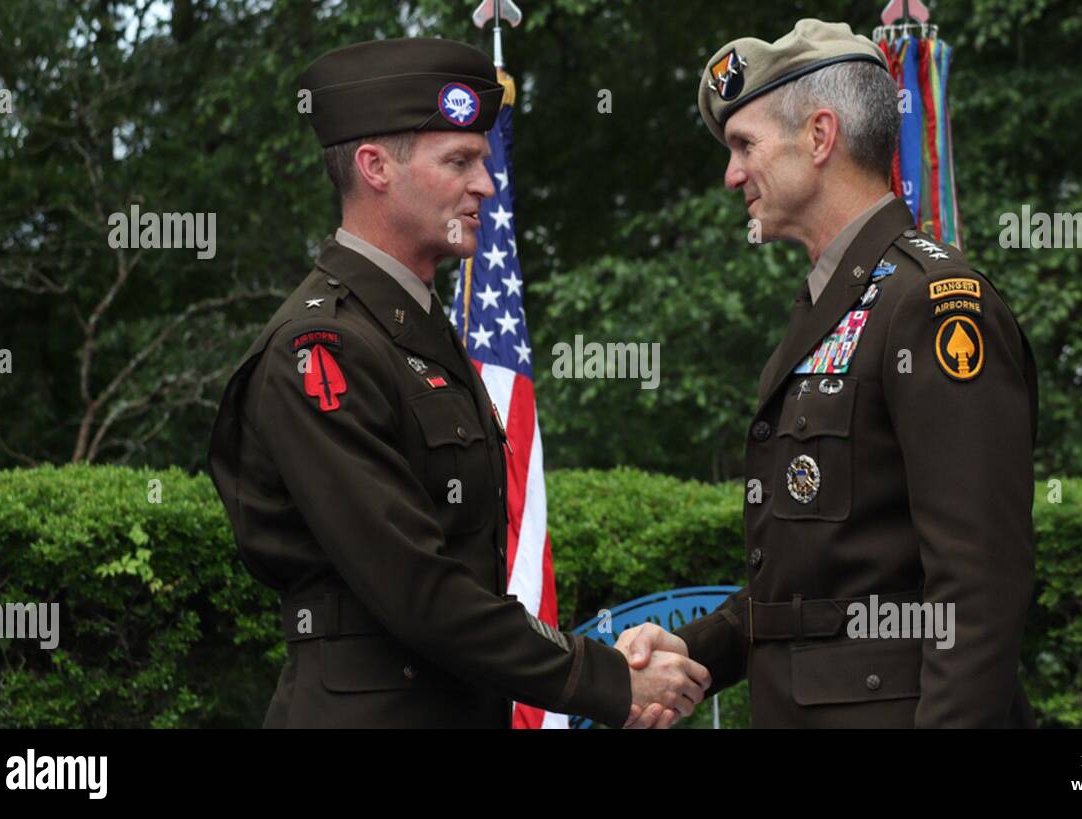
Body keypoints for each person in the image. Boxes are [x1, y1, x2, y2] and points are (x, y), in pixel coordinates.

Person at [207, 37, 709, 728]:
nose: (486, 185)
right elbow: (417, 587)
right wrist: (603, 678)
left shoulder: (412, 329)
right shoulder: (321, 346)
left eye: (483, 160)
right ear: (375, 167)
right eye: (459, 161)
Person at [619, 19, 1039, 728]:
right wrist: (693, 650)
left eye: (745, 145)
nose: (731, 174)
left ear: (819, 136)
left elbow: (979, 586)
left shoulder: (933, 305)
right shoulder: (831, 304)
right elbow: (815, 583)